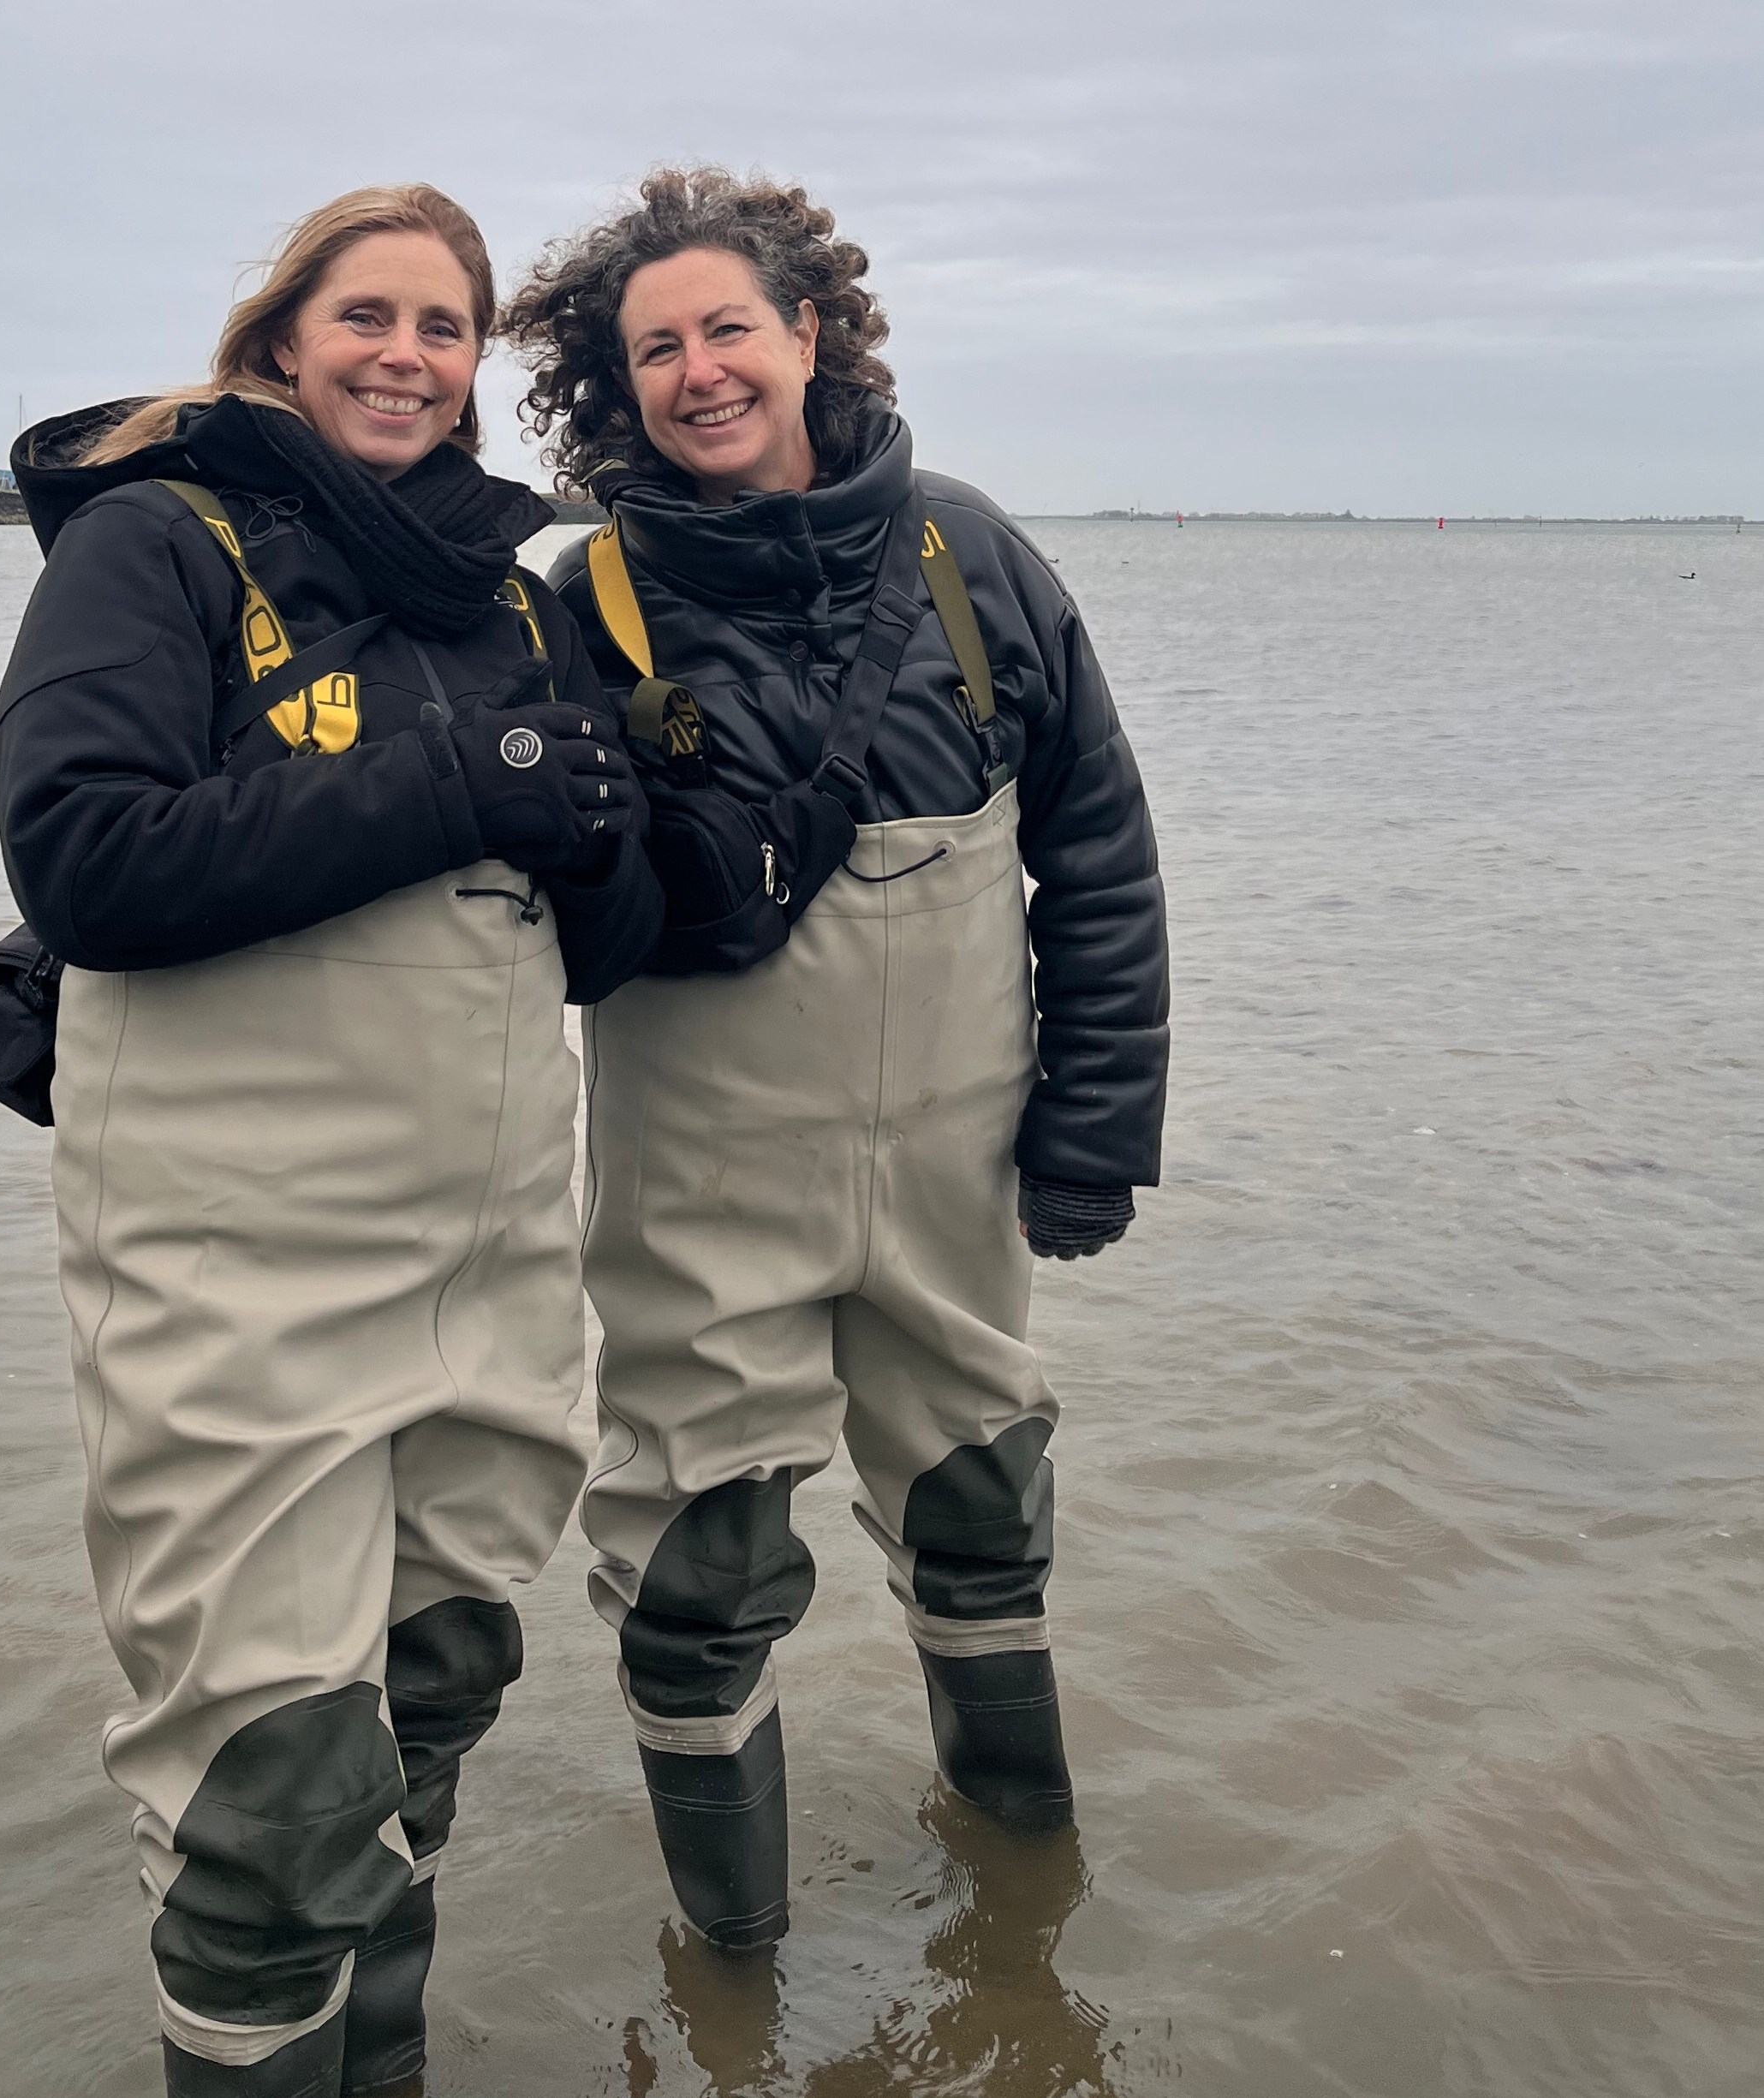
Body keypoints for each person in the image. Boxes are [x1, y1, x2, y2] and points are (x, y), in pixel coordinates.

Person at [0, 184, 660, 2096]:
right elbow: (88, 852)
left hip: (492, 1281)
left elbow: (597, 946)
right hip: (241, 1280)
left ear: (473, 372)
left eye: (444, 327)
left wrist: (618, 840)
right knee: (268, 1794)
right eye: (367, 314)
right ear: (281, 337)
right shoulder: (155, 545)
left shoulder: (520, 604)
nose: (405, 354)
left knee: (428, 1705)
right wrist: (466, 776)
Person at [504, 168, 1169, 1950]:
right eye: (656, 348)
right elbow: (497, 871)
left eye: (729, 327)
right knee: (695, 1566)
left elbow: (1096, 850)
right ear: (612, 381)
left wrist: (1095, 1125)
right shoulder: (581, 600)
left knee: (981, 1503)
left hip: (958, 1160)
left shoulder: (975, 555)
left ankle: (1028, 1915)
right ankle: (736, 1970)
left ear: (809, 332)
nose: (700, 371)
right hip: (700, 1176)